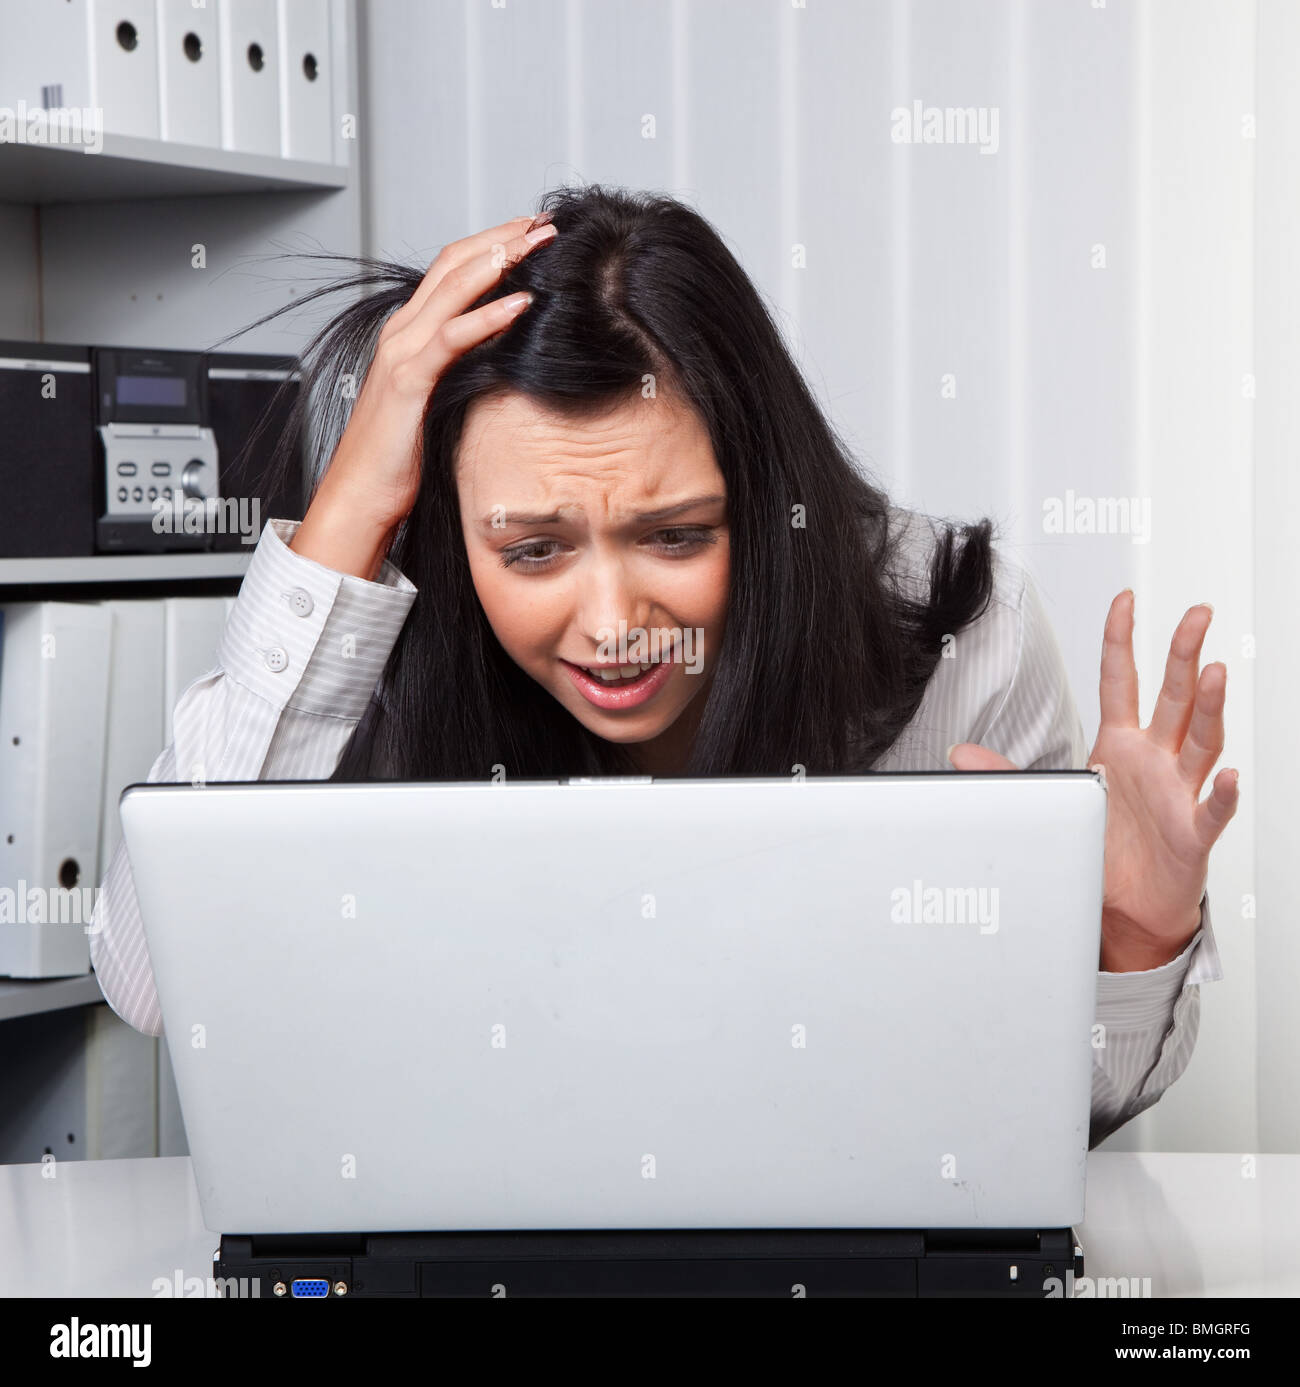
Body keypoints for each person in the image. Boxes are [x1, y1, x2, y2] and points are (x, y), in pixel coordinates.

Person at [89, 184, 1237, 1149]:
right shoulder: (387, 615)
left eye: (677, 535)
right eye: (532, 549)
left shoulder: (956, 635)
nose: (612, 621)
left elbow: (1038, 1131)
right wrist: (342, 523)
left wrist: (1129, 946)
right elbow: (150, 983)